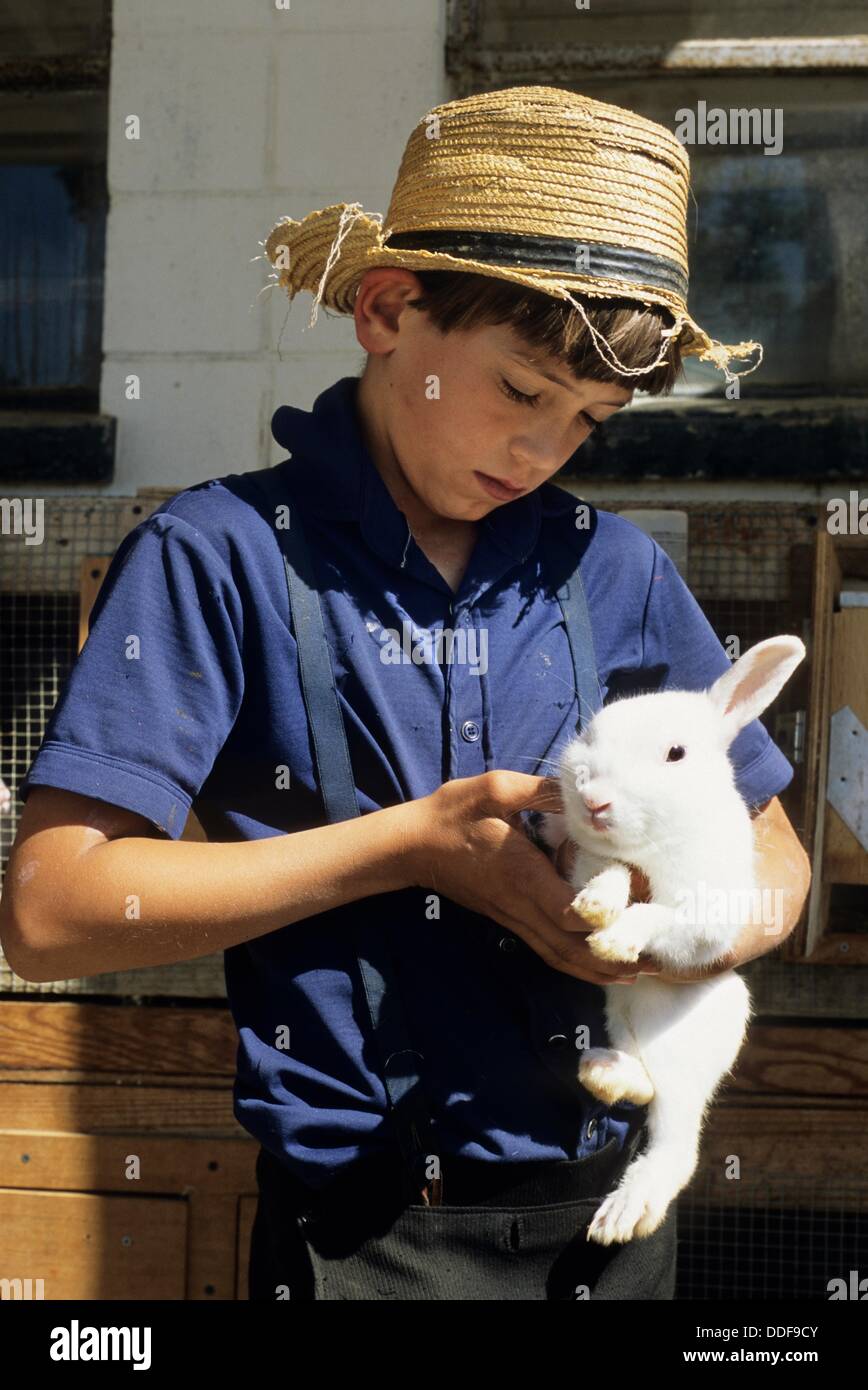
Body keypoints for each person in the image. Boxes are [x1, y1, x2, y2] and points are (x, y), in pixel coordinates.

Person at [0, 86, 810, 1301]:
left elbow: (778, 869)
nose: (543, 452)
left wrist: (686, 932)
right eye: (523, 392)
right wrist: (413, 850)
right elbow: (53, 911)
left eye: (586, 422)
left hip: (621, 1219)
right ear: (388, 310)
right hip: (369, 1238)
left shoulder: (619, 570)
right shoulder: (220, 553)